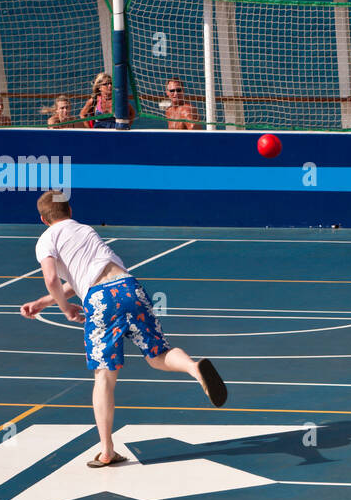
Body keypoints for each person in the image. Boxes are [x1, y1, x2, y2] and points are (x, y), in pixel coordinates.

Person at [19, 190, 228, 467]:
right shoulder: (85, 230)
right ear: (69, 211)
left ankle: (106, 450)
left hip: (100, 299)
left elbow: (51, 279)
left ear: (44, 219)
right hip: (130, 287)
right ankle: (194, 367)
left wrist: (64, 308)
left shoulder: (46, 238)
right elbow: (79, 280)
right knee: (157, 355)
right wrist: (44, 303)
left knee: (104, 376)